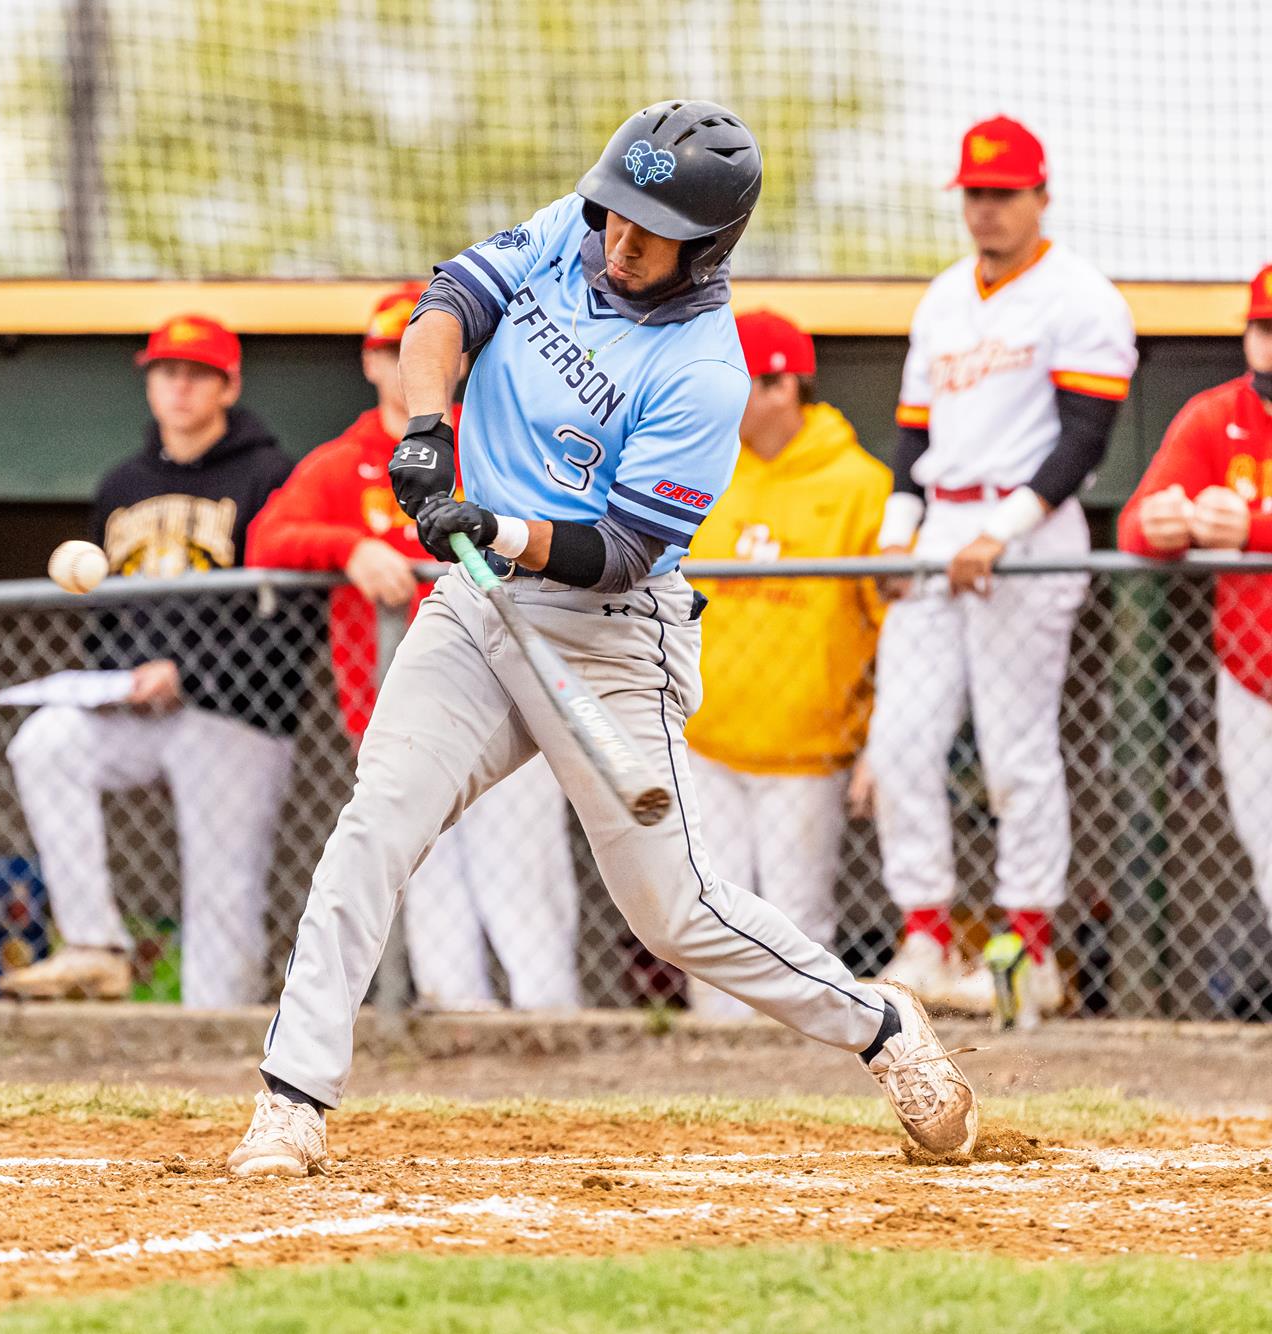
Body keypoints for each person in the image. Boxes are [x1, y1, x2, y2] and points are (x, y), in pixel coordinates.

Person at [227, 100, 976, 1178]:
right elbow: (444, 306)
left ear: (706, 245)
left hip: (607, 631)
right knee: (372, 827)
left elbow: (617, 548)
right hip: (476, 614)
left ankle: (877, 1023)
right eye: (613, 213)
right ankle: (291, 1103)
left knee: (673, 911)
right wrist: (429, 428)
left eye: (646, 229)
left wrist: (494, 525)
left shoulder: (705, 372)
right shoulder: (567, 232)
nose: (616, 240)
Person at [248, 282, 581, 1012]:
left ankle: (552, 1029)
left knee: (524, 877)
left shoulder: (495, 442)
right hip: (393, 714)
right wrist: (350, 547)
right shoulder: (345, 463)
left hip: (507, 703)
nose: (404, 363)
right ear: (371, 363)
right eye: (387, 349)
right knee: (425, 879)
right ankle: (461, 1035)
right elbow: (268, 537)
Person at [868, 116, 1136, 1015]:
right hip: (946, 522)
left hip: (1029, 531)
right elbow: (911, 437)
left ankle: (1028, 946)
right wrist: (900, 532)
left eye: (1002, 192)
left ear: (1040, 195)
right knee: (901, 739)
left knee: (1017, 750)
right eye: (975, 193)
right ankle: (928, 935)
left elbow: (1084, 439)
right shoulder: (943, 297)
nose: (985, 209)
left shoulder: (1082, 295)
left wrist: (1007, 530)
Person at [0, 315, 304, 1007]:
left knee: (223, 887)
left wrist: (190, 673)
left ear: (229, 386)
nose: (179, 387)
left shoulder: (270, 475)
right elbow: (104, 618)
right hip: (139, 703)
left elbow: (286, 617)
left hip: (236, 712)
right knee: (46, 741)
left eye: (197, 373)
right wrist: (126, 675)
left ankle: (215, 1041)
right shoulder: (122, 484)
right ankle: (93, 944)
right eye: (167, 372)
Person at [682, 310, 891, 1020]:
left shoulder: (861, 482)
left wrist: (881, 744)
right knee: (706, 915)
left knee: (796, 920)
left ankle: (800, 1076)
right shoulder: (704, 464)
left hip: (806, 753)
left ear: (779, 387)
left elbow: (895, 627)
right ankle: (713, 1077)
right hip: (707, 741)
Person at [1118, 264, 1272, 921]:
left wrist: (1255, 529)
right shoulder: (1217, 416)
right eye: (1266, 328)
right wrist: (1165, 527)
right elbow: (1132, 525)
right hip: (1251, 675)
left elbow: (1251, 527)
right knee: (1266, 843)